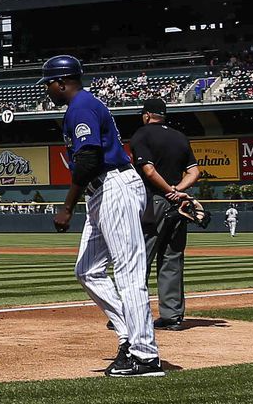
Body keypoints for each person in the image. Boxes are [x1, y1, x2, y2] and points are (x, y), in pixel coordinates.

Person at [44, 55, 163, 378]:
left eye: (50, 84)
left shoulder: (81, 106)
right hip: (103, 192)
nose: (48, 90)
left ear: (63, 82)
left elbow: (88, 159)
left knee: (128, 274)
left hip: (114, 186)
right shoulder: (80, 105)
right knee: (88, 270)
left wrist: (68, 207)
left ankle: (145, 356)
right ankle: (129, 335)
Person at [129, 97, 201, 331]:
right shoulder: (179, 137)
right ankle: (172, 318)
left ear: (147, 115)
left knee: (139, 259)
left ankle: (131, 315)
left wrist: (168, 190)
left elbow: (148, 171)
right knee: (172, 259)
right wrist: (179, 190)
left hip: (154, 202)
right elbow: (194, 171)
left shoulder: (142, 134)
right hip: (178, 204)